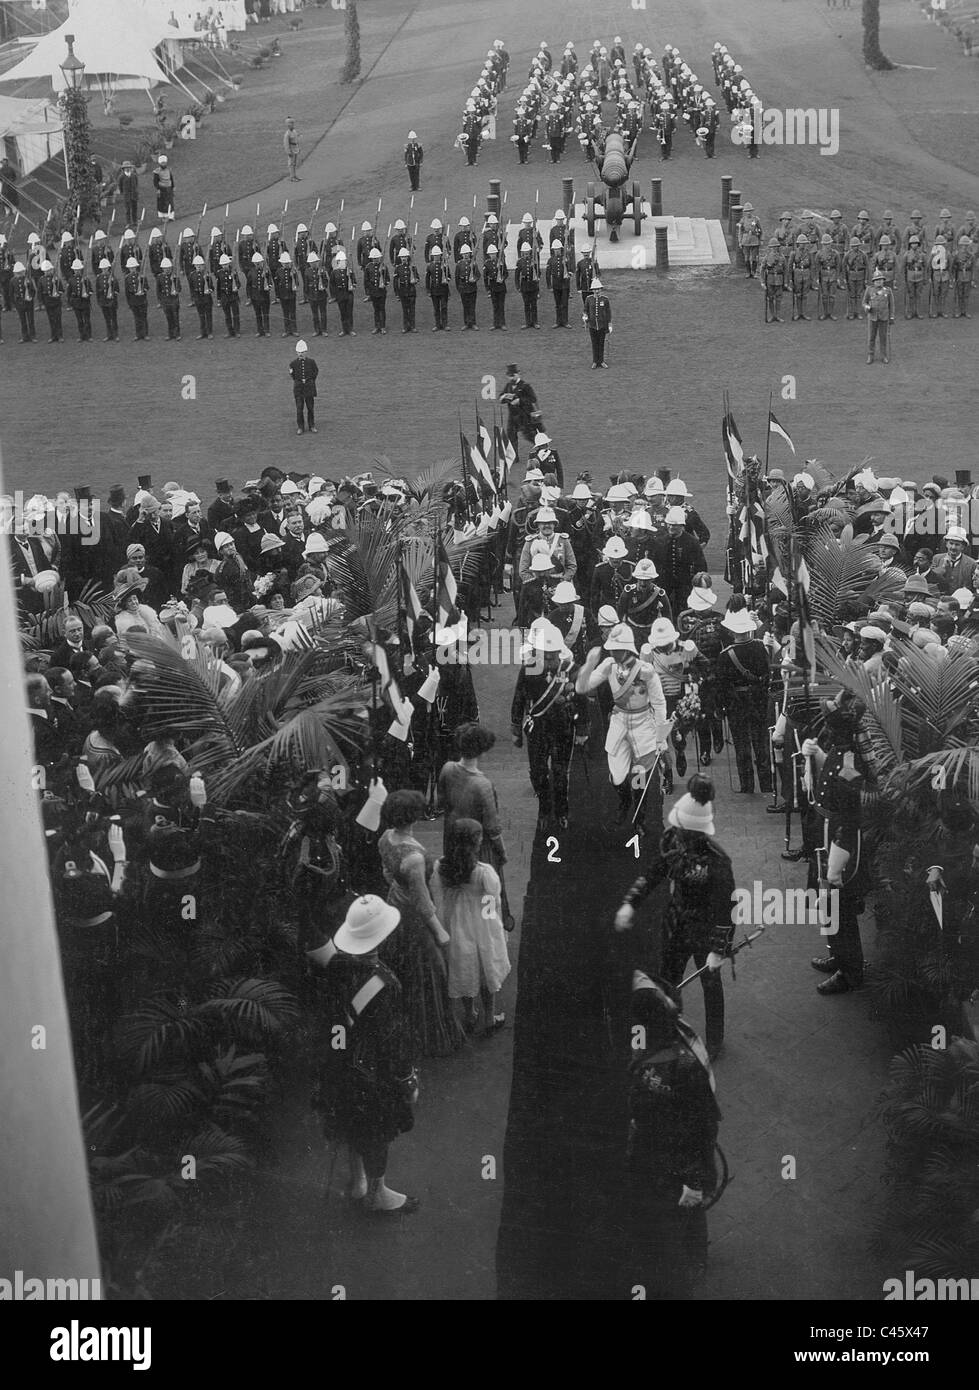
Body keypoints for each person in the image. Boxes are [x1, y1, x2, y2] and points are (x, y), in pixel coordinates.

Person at [312, 895, 420, 1215]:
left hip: (339, 1060)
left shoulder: (336, 966)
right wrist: (406, 1078)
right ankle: (377, 1193)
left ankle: (357, 1182)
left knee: (348, 1121)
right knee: (376, 1131)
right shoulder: (384, 983)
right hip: (372, 1072)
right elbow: (392, 1039)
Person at [616, 777, 735, 1059]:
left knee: (710, 984)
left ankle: (714, 1040)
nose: (677, 833)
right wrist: (631, 903)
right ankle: (669, 1026)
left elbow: (725, 910)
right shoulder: (672, 840)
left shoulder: (718, 861)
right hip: (676, 921)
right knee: (668, 979)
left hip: (705, 929)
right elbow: (655, 872)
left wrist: (718, 950)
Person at [620, 970, 721, 1295]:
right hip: (648, 1151)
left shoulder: (681, 1066)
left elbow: (703, 1128)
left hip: (676, 1160)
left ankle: (688, 1265)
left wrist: (696, 1180)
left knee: (680, 1218)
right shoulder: (651, 1052)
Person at [377, 790, 463, 1057]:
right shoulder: (414, 857)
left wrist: (397, 890)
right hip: (414, 919)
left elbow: (387, 872)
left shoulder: (385, 838)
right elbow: (423, 902)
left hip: (394, 906)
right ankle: (431, 1033)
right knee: (432, 972)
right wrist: (440, 932)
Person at [577, 622, 668, 832]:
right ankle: (624, 801)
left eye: (616, 648)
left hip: (643, 724)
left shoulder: (646, 671)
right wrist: (589, 664)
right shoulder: (608, 665)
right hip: (619, 722)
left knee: (639, 774)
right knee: (617, 776)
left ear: (627, 649)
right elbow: (583, 687)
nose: (612, 651)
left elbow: (659, 703)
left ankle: (640, 816)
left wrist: (661, 737)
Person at [432, 819, 510, 1036]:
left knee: (463, 967)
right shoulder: (484, 873)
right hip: (482, 929)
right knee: (485, 970)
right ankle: (489, 1016)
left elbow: (438, 899)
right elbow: (491, 907)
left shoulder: (441, 867)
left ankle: (469, 1013)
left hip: (456, 928)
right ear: (476, 844)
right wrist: (497, 932)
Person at [511, 622, 579, 830]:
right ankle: (544, 808)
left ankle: (561, 811)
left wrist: (583, 729)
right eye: (545, 653)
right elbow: (519, 698)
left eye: (553, 653)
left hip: (562, 728)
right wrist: (516, 729)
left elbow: (580, 698)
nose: (549, 658)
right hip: (538, 728)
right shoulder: (529, 669)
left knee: (560, 773)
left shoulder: (570, 669)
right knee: (538, 773)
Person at [715, 606, 772, 794]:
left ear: (732, 631)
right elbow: (767, 675)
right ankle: (766, 784)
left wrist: (723, 707)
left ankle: (747, 785)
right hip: (758, 701)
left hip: (736, 704)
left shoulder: (725, 656)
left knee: (741, 745)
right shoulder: (759, 647)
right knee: (761, 743)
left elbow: (722, 685)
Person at [863, 268, 894, 364]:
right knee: (871, 337)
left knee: (883, 337)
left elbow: (891, 305)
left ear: (883, 281)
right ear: (874, 281)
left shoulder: (888, 291)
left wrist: (891, 317)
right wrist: (867, 307)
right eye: (877, 280)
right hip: (872, 317)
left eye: (880, 280)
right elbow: (864, 302)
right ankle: (870, 355)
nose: (879, 282)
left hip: (884, 317)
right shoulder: (869, 290)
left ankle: (883, 355)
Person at [288, 340, 318, 435]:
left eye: (302, 352)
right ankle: (300, 427)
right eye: (299, 352)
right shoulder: (293, 364)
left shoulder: (311, 362)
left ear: (306, 352)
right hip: (299, 389)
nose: (300, 354)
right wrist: (301, 381)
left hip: (309, 388)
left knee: (310, 408)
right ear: (297, 352)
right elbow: (293, 376)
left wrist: (309, 381)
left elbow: (315, 372)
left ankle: (311, 425)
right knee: (299, 409)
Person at [583, 275, 611, 367]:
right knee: (594, 344)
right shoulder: (588, 299)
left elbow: (608, 313)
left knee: (601, 343)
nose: (597, 291)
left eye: (598, 289)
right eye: (595, 289)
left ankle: (601, 361)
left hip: (602, 325)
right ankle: (595, 361)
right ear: (592, 290)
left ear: (601, 289)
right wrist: (585, 316)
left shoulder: (605, 299)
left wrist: (609, 324)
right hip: (592, 325)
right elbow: (585, 310)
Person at [364, 247, 390, 334]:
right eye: (374, 258)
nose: (375, 259)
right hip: (373, 292)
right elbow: (366, 281)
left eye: (377, 258)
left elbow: (388, 279)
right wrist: (369, 292)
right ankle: (376, 326)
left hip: (381, 292)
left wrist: (384, 284)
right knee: (376, 310)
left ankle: (382, 327)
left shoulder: (383, 267)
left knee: (382, 309)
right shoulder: (368, 267)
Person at [123, 257, 151, 341]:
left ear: (136, 267)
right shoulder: (127, 278)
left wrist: (143, 291)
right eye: (131, 268)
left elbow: (146, 286)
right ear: (128, 268)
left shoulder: (141, 276)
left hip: (142, 300)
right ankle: (138, 334)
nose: (132, 269)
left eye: (134, 267)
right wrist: (129, 303)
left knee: (143, 317)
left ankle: (145, 334)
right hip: (133, 301)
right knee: (136, 318)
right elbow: (127, 292)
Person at [38, 260, 64, 343]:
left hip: (56, 302)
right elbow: (39, 292)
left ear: (51, 270)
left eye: (48, 270)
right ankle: (53, 336)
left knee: (58, 319)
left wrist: (58, 294)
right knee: (51, 319)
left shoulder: (56, 278)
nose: (47, 272)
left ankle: (60, 336)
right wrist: (41, 303)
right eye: (45, 271)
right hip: (47, 302)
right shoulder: (41, 280)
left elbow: (61, 290)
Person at [94, 257, 120, 342]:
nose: (104, 270)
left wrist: (112, 284)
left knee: (113, 318)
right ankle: (109, 335)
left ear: (108, 268)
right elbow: (98, 290)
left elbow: (117, 290)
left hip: (111, 301)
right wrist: (99, 301)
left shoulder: (113, 277)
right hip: (103, 301)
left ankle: (115, 335)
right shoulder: (99, 278)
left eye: (105, 268)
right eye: (103, 268)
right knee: (107, 319)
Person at [247, 251, 272, 336]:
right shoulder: (251, 272)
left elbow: (270, 281)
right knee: (258, 315)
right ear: (254, 263)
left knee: (265, 314)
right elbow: (248, 285)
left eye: (259, 263)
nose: (258, 264)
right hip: (255, 296)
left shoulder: (266, 271)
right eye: (256, 263)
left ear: (262, 262)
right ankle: (260, 330)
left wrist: (269, 286)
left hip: (264, 296)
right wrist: (249, 296)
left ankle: (267, 330)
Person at [483, 244, 508, 329]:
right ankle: (495, 324)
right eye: (491, 254)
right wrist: (487, 289)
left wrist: (502, 278)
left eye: (494, 253)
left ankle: (502, 323)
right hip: (493, 286)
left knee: (501, 305)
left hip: (501, 287)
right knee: (495, 306)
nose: (493, 255)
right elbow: (485, 277)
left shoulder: (501, 262)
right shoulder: (487, 264)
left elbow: (506, 273)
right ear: (489, 255)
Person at [152, 155, 175, 222]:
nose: (163, 164)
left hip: (169, 188)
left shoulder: (168, 170)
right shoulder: (156, 172)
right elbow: (155, 182)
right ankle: (164, 217)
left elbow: (171, 178)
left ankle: (171, 216)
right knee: (163, 203)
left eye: (164, 163)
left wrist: (173, 186)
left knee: (170, 202)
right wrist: (158, 189)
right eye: (162, 163)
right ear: (159, 163)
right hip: (162, 189)